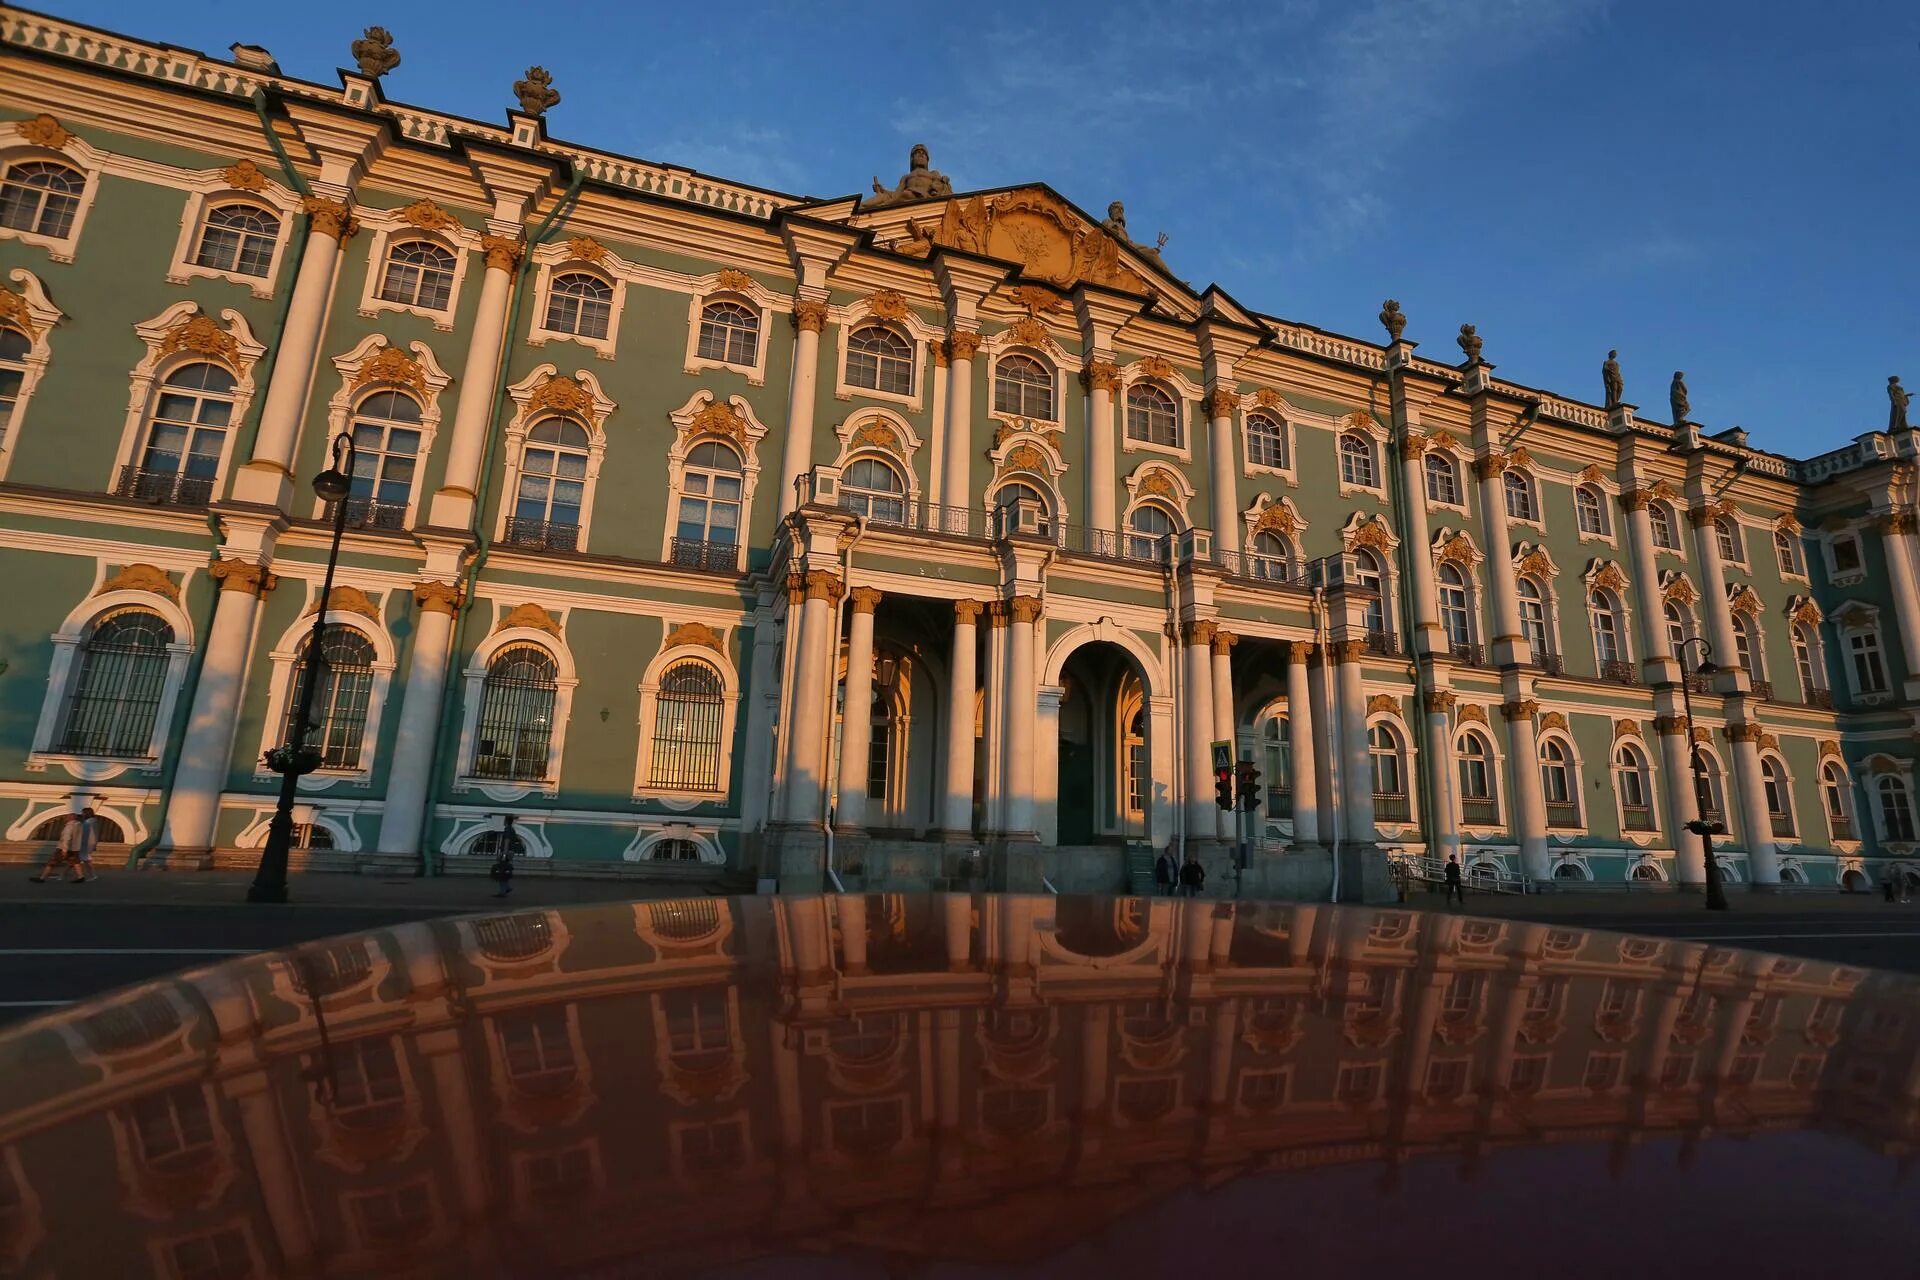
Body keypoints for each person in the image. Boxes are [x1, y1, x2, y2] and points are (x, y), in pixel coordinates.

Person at [30, 809, 95, 883]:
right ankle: (80, 876)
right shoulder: (80, 825)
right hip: (75, 848)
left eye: (67, 817)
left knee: (52, 862)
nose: (65, 818)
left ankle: (42, 878)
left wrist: (64, 849)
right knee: (75, 862)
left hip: (64, 848)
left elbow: (66, 838)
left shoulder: (69, 826)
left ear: (71, 818)